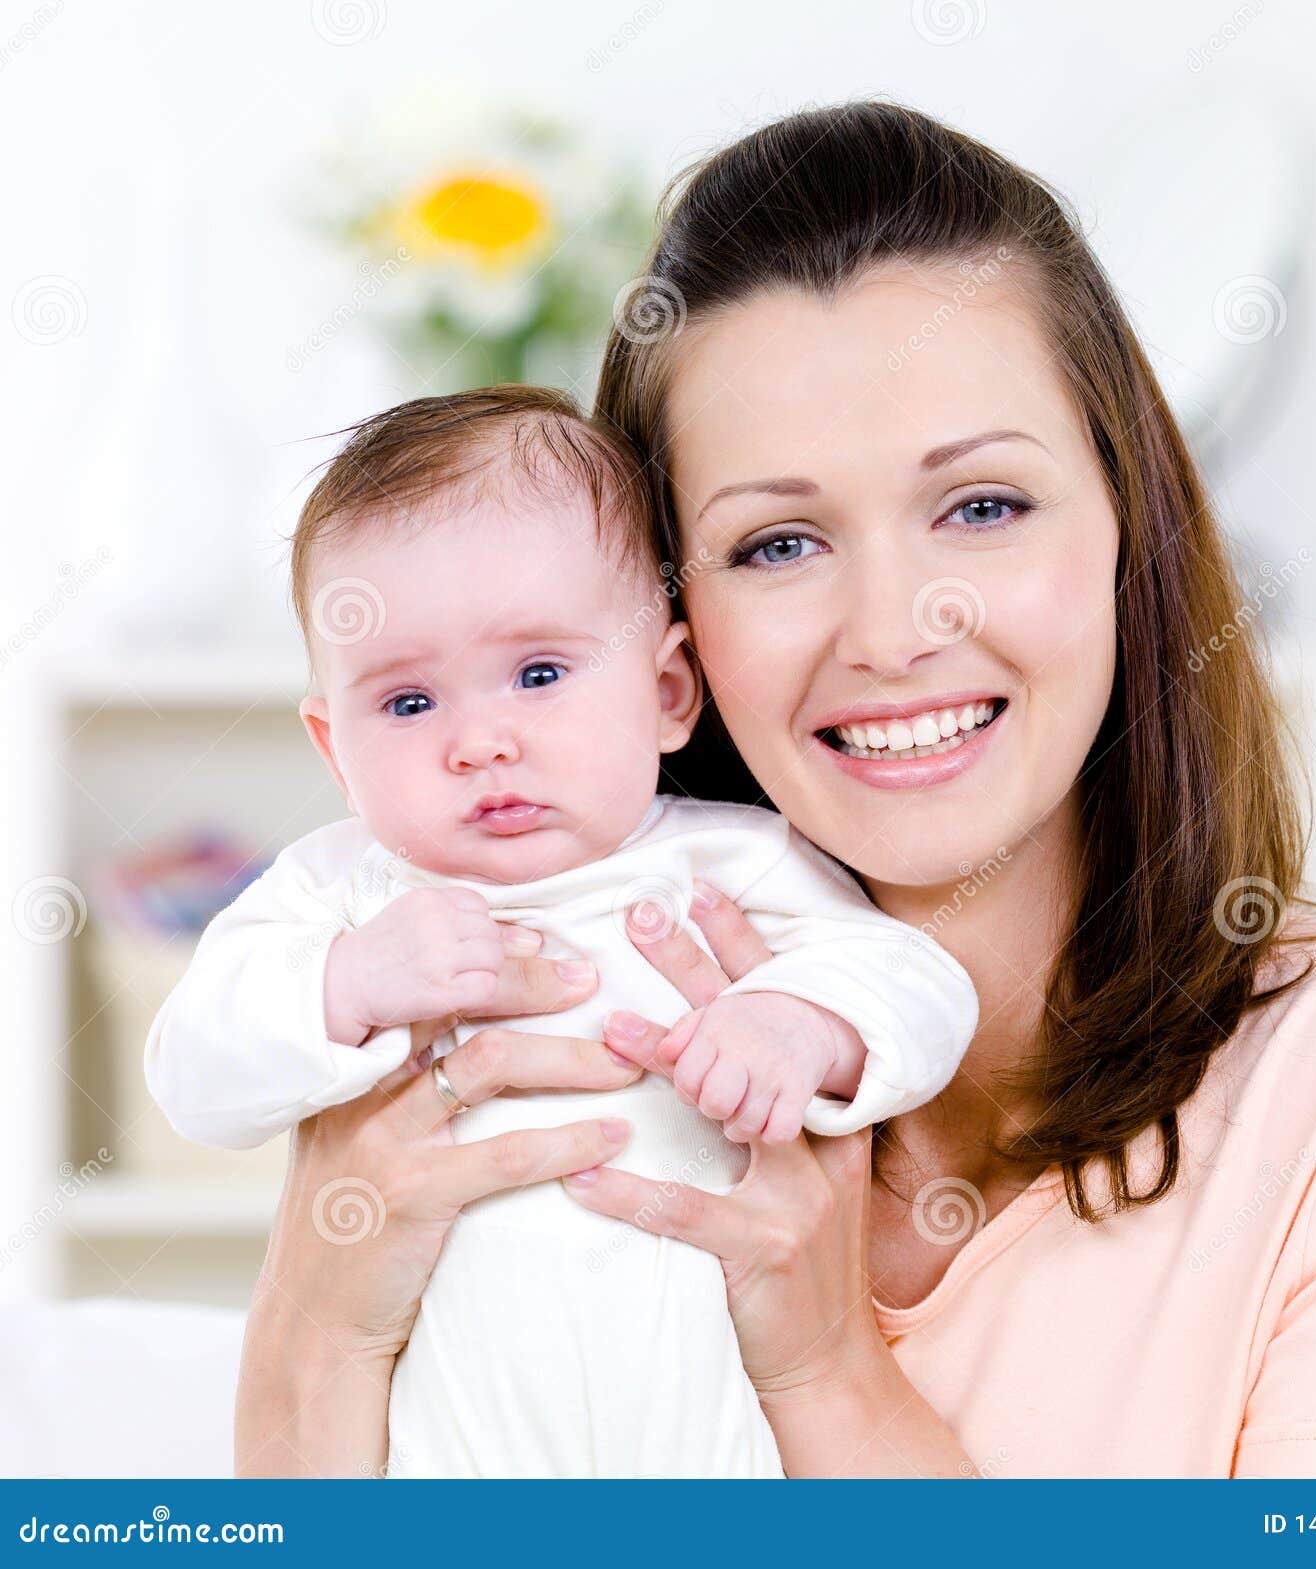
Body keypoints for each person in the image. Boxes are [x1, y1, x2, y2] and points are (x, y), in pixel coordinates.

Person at [235, 102, 1316, 1479]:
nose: (889, 628)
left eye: (981, 506)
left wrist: (832, 1377)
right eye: (777, 541)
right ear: (658, 639)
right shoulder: (509, 1026)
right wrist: (319, 1333)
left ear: (1129, 523)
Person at [149, 384, 977, 1476]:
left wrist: (802, 1024)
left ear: (669, 688)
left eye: (538, 674)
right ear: (332, 746)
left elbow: (916, 983)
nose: (480, 742)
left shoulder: (732, 859)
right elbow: (192, 1074)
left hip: (708, 1438)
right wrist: (344, 984)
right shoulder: (342, 894)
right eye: (406, 704)